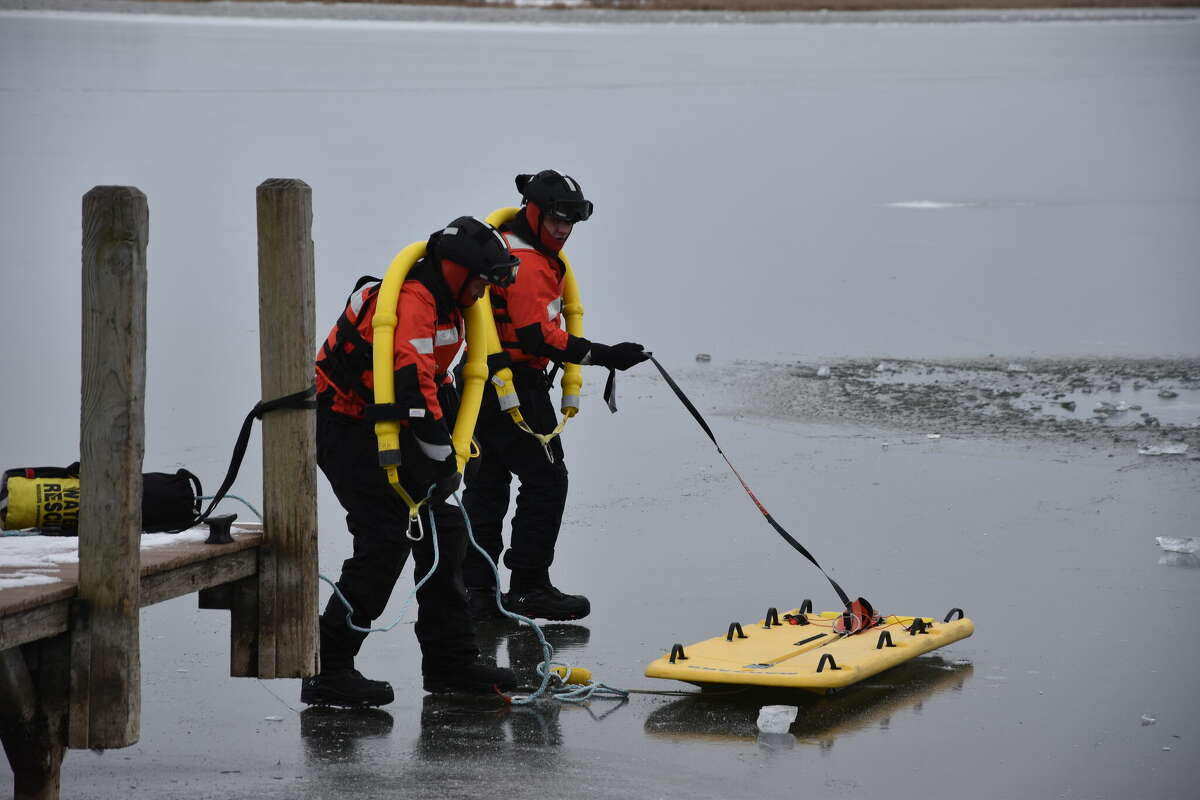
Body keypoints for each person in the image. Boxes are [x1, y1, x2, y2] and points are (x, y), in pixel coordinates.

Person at [302, 216, 522, 707]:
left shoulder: (454, 304)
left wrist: (454, 446)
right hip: (347, 426)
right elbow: (410, 388)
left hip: (394, 426)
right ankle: (327, 665)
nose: (487, 288)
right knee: (384, 537)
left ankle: (450, 662)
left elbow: (435, 383)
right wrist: (442, 455)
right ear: (455, 268)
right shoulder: (412, 302)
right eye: (484, 278)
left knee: (445, 533)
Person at [460, 170, 648, 622]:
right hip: (510, 386)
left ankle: (478, 594)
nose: (564, 230)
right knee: (547, 481)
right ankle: (528, 586)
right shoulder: (525, 261)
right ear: (534, 212)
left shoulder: (509, 245)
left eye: (570, 222)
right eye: (557, 220)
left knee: (487, 487)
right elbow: (536, 336)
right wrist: (605, 355)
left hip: (477, 383)